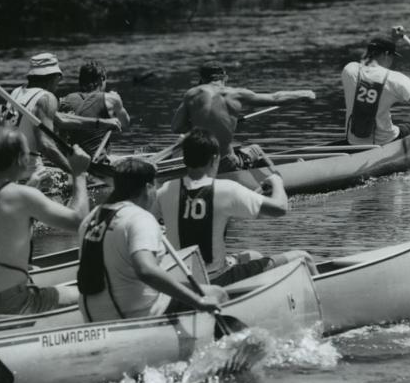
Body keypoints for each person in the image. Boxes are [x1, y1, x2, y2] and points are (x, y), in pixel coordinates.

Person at [0, 127, 91, 315]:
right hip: (11, 303)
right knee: (88, 296)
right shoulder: (21, 196)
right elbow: (80, 221)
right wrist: (79, 174)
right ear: (19, 159)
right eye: (27, 152)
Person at [152, 128, 314, 286]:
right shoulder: (227, 189)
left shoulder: (165, 190)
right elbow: (280, 208)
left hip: (181, 279)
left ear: (185, 160)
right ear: (215, 158)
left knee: (253, 255)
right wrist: (277, 182)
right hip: (217, 279)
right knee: (304, 257)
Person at [77, 157, 225, 322]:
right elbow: (146, 270)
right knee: (216, 292)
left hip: (93, 317)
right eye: (156, 185)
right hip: (134, 315)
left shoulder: (92, 217)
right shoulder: (140, 218)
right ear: (148, 187)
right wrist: (197, 301)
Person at [172, 61, 315, 172]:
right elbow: (275, 98)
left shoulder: (191, 94)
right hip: (224, 163)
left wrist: (201, 126)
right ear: (225, 77)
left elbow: (176, 127)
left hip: (199, 163)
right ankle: (279, 181)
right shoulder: (236, 94)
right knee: (255, 149)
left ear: (202, 79)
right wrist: (304, 94)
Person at [58, 60, 131, 158]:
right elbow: (126, 123)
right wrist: (118, 102)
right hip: (98, 162)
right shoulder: (111, 98)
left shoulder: (66, 100)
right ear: (101, 79)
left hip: (73, 160)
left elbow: (61, 135)